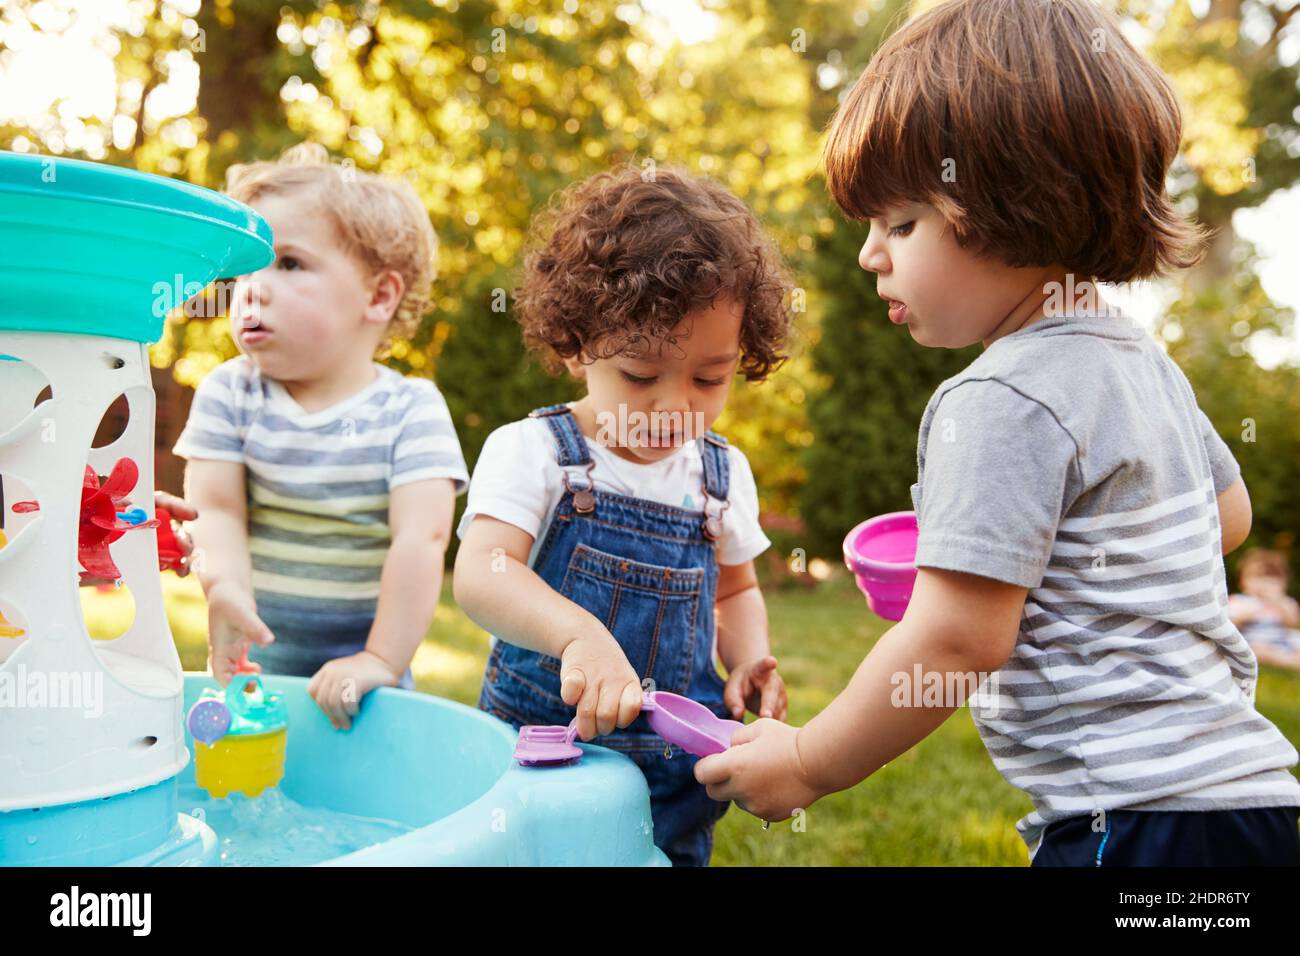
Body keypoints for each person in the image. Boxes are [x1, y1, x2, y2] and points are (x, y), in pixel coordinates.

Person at [695, 0, 1300, 867]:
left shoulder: (998, 396)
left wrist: (806, 760)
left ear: (1020, 207)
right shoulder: (1142, 362)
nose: (872, 253)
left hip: (1131, 819)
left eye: (901, 223)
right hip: (1242, 802)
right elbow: (1226, 519)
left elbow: (957, 639)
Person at [453, 163, 791, 865]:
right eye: (640, 375)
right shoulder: (536, 452)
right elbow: (483, 575)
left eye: (710, 377)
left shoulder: (721, 477)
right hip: (544, 760)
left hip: (673, 776)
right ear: (577, 345)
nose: (675, 406)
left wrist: (749, 658)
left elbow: (735, 588)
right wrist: (578, 636)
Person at [174, 143, 468, 730]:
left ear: (378, 296)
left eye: (288, 264)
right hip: (256, 670)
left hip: (367, 688)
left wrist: (380, 658)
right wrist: (223, 587)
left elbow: (422, 537)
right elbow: (216, 512)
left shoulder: (410, 408)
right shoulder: (230, 393)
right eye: (245, 270)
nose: (252, 289)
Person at [1229, 549, 1300, 672]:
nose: (1264, 583)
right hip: (1254, 642)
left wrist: (1278, 602)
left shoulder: (1285, 602)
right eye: (1257, 577)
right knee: (1257, 651)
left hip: (1282, 644)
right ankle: (1287, 662)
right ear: (1242, 581)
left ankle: (1284, 660)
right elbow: (1230, 624)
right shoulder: (1240, 601)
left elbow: (1294, 623)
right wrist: (1248, 614)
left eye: (1271, 578)